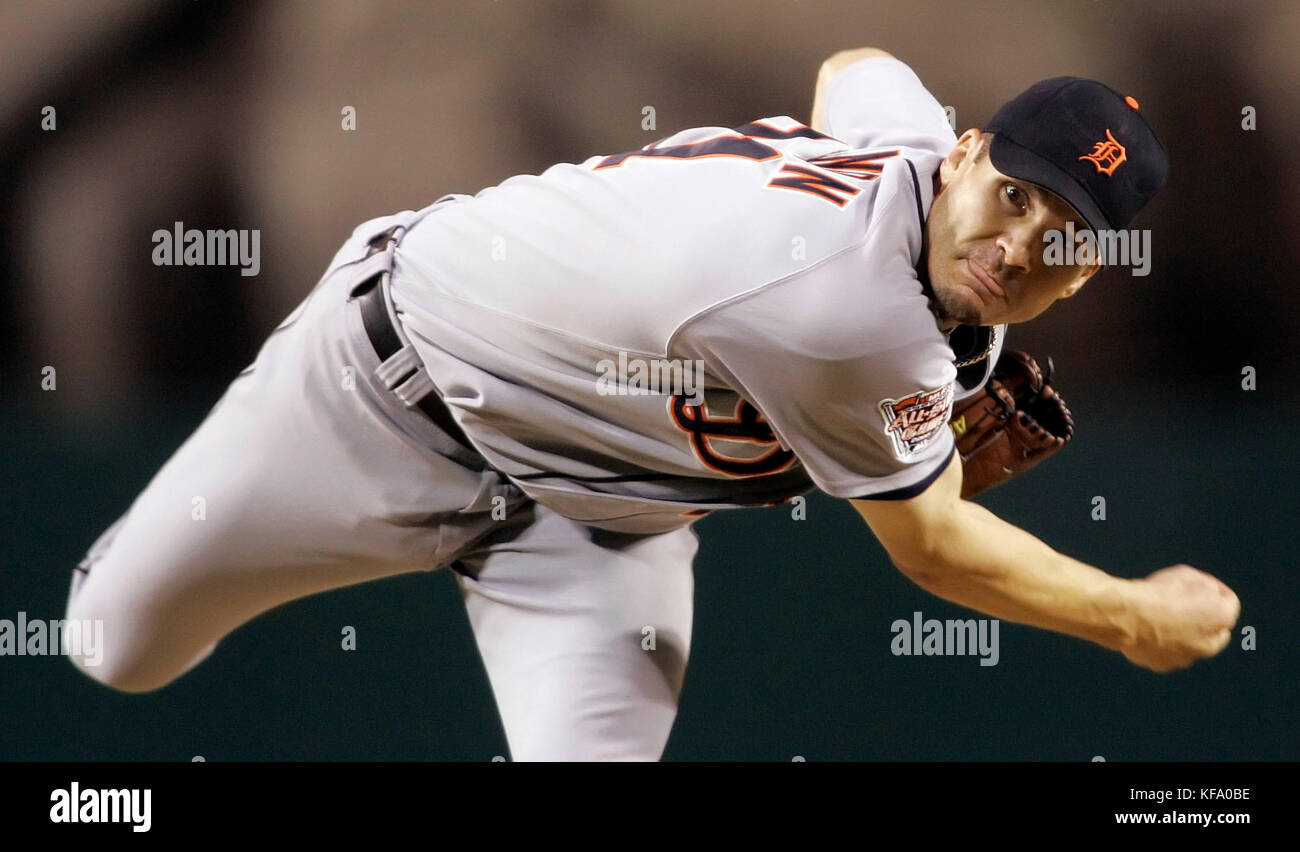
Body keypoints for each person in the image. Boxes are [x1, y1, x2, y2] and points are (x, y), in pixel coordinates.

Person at [66, 48, 1240, 761]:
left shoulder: (911, 148)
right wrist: (1133, 618)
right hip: (375, 400)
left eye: (1064, 237)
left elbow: (858, 67)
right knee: (114, 649)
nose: (1020, 242)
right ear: (969, 154)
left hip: (596, 528)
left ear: (1090, 272)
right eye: (1016, 191)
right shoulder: (842, 314)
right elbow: (934, 551)